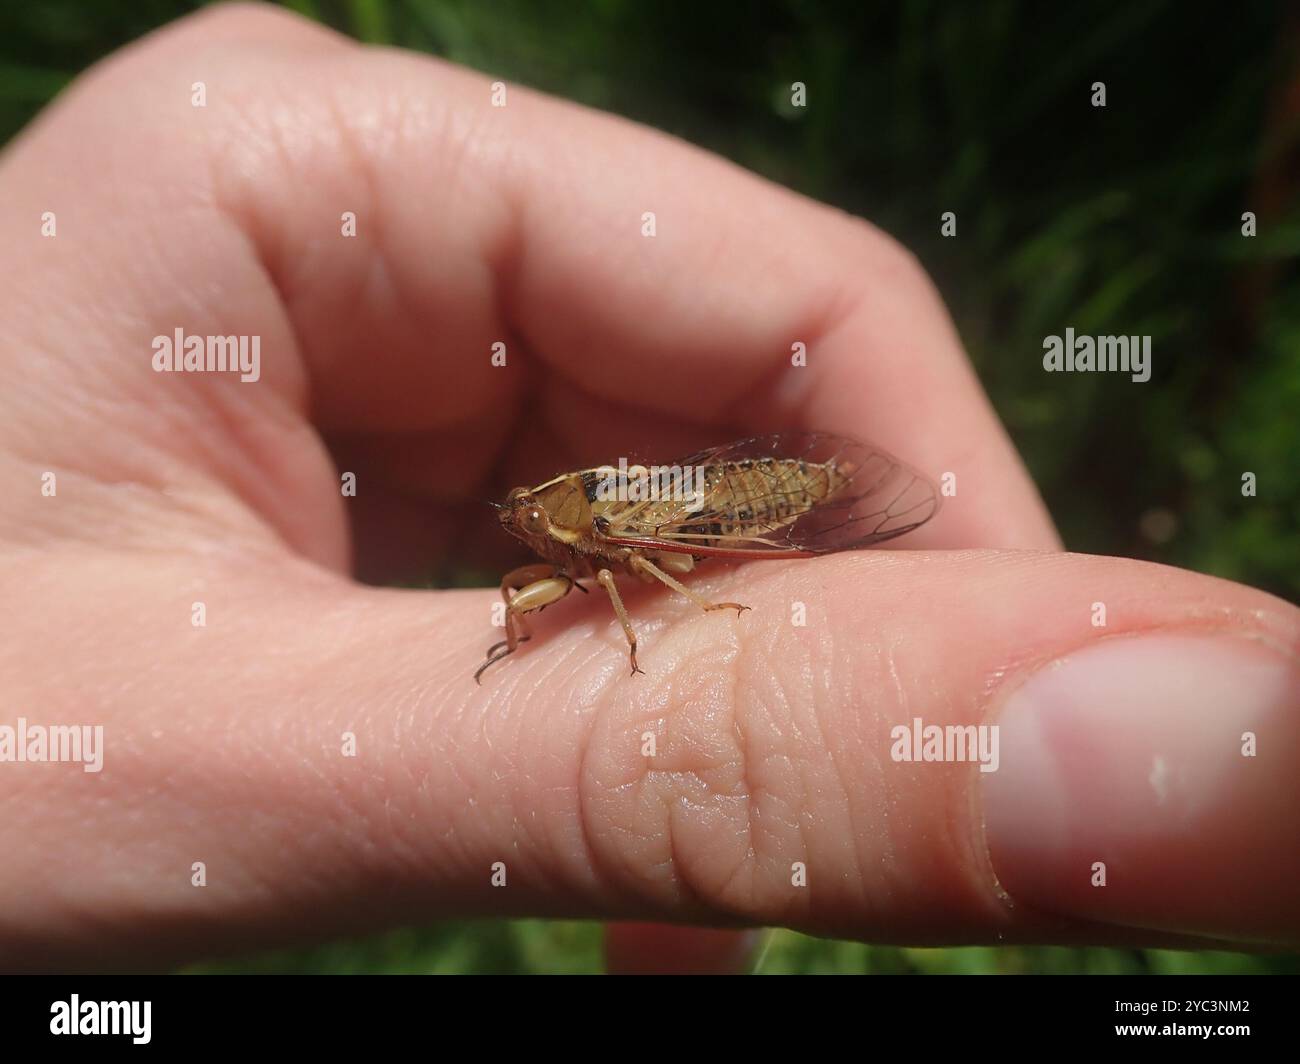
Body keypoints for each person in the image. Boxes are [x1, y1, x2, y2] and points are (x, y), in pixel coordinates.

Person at [1, 5, 1295, 973]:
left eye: (541, 536)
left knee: (747, 533)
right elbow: (548, 577)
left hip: (719, 506)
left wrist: (668, 615)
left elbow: (647, 577)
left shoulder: (608, 542)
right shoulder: (550, 550)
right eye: (535, 537)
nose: (532, 546)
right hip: (668, 503)